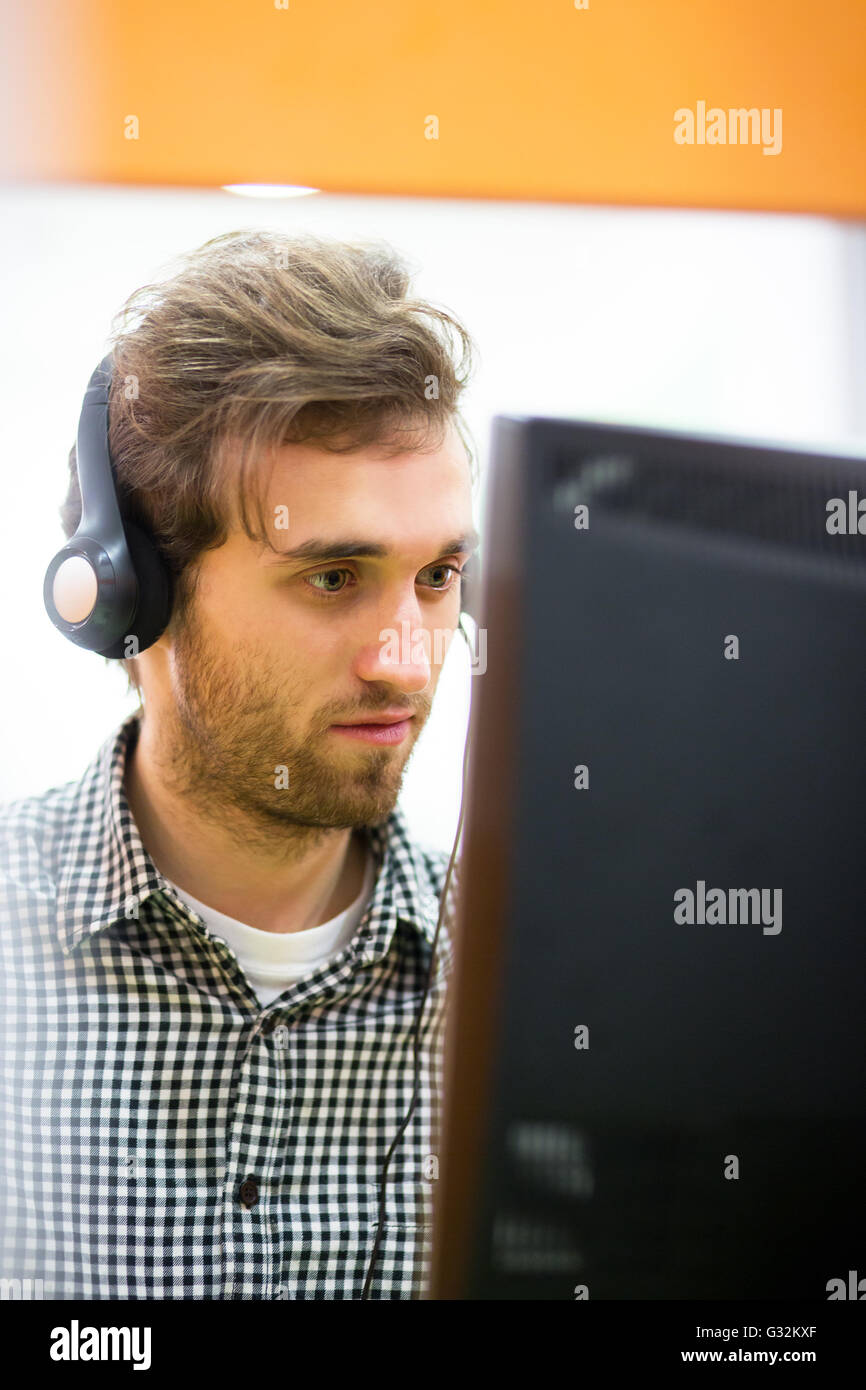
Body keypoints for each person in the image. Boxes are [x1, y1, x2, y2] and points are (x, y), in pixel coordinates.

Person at [0, 228, 479, 1299]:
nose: (405, 660)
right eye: (331, 578)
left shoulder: (532, 992)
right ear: (133, 596)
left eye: (438, 574)